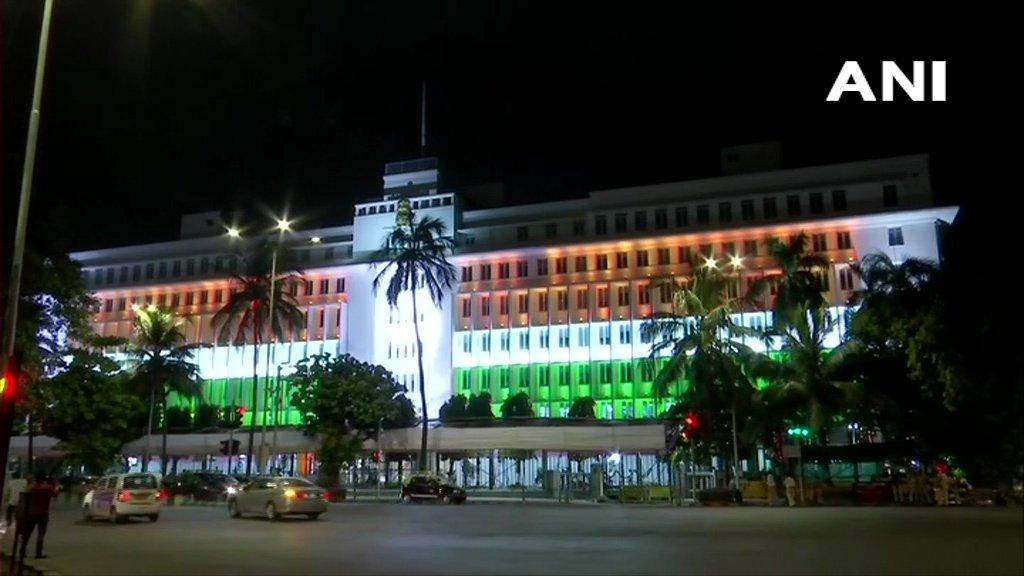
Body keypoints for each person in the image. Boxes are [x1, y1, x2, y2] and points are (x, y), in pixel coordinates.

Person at [20, 474, 60, 560]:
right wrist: (56, 486)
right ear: (44, 480)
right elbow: (56, 494)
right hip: (43, 513)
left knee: (27, 533)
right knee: (41, 534)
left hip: (31, 513)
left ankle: (22, 551)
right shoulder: (48, 488)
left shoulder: (31, 488)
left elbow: (25, 498)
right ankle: (38, 553)